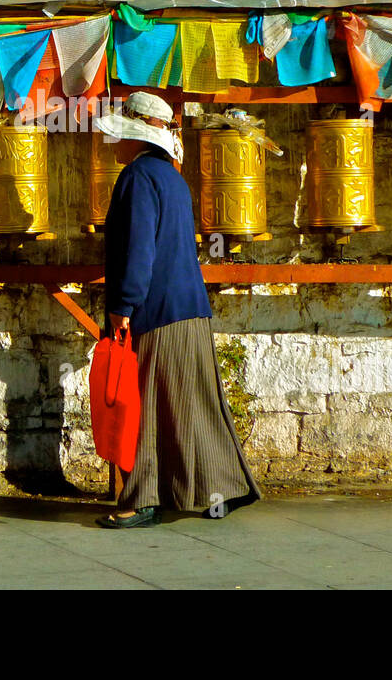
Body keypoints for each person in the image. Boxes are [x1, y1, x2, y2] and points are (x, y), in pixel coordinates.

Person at [94, 92, 262, 529]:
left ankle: (142, 501)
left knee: (144, 407)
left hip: (155, 311)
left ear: (136, 139)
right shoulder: (169, 177)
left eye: (120, 137)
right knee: (194, 403)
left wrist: (122, 305)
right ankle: (221, 489)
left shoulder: (137, 177)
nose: (115, 145)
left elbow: (139, 249)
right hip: (190, 310)